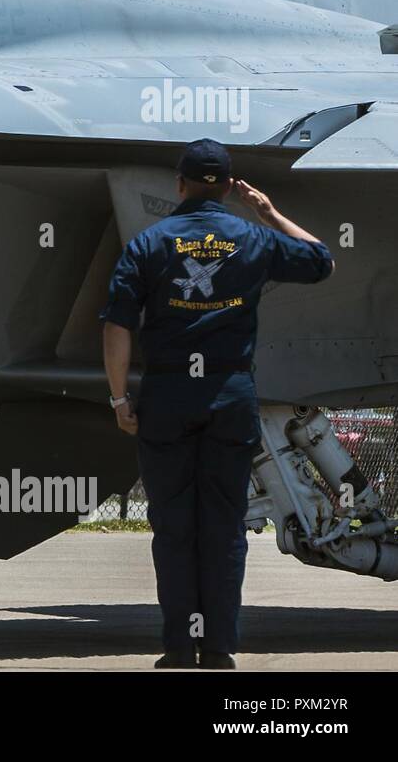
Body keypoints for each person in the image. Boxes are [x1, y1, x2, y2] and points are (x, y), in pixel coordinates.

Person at [100, 139, 334, 670]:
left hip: (167, 399)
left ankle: (180, 647)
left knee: (175, 525)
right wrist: (268, 211)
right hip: (230, 397)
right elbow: (321, 260)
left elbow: (117, 324)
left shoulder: (149, 244)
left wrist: (119, 397)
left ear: (179, 185)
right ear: (228, 186)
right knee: (224, 526)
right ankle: (219, 649)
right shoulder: (252, 237)